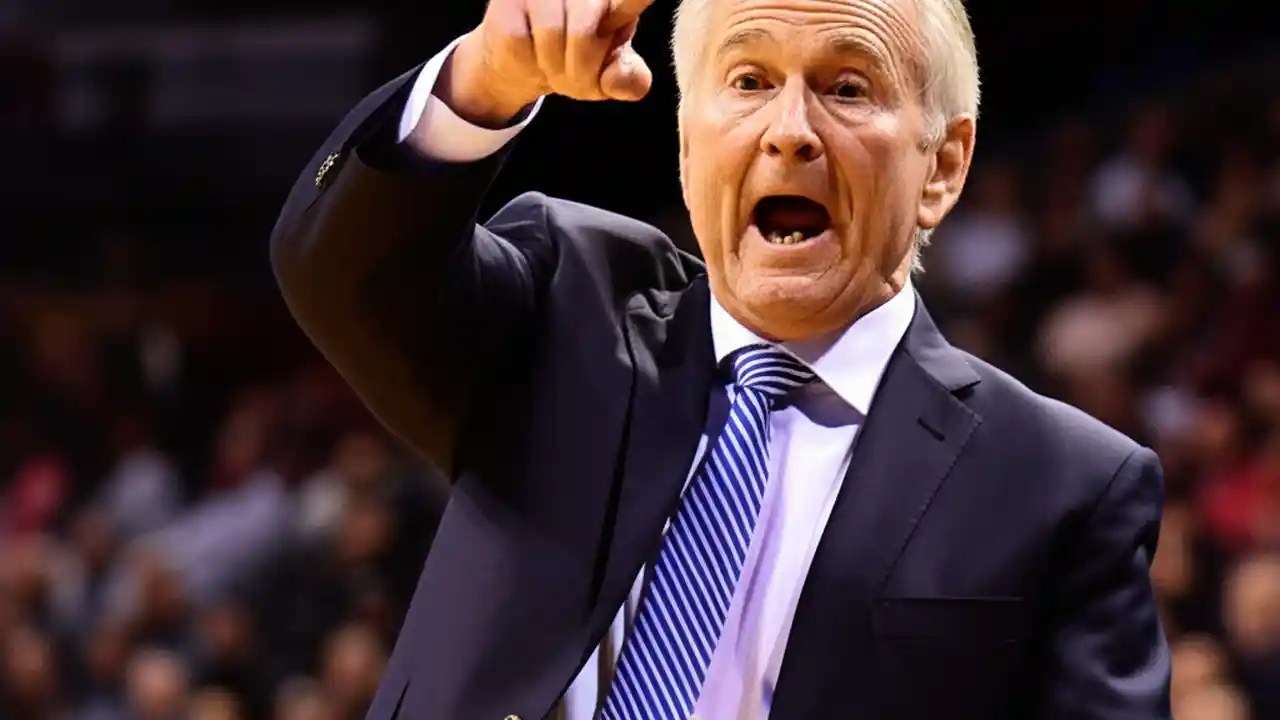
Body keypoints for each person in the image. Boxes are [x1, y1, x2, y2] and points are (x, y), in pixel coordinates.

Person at [269, 0, 1172, 717]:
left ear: (942, 165)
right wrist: (486, 75)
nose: (790, 130)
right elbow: (338, 272)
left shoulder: (1060, 486)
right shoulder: (565, 307)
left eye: (847, 88)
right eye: (747, 80)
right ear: (688, 140)